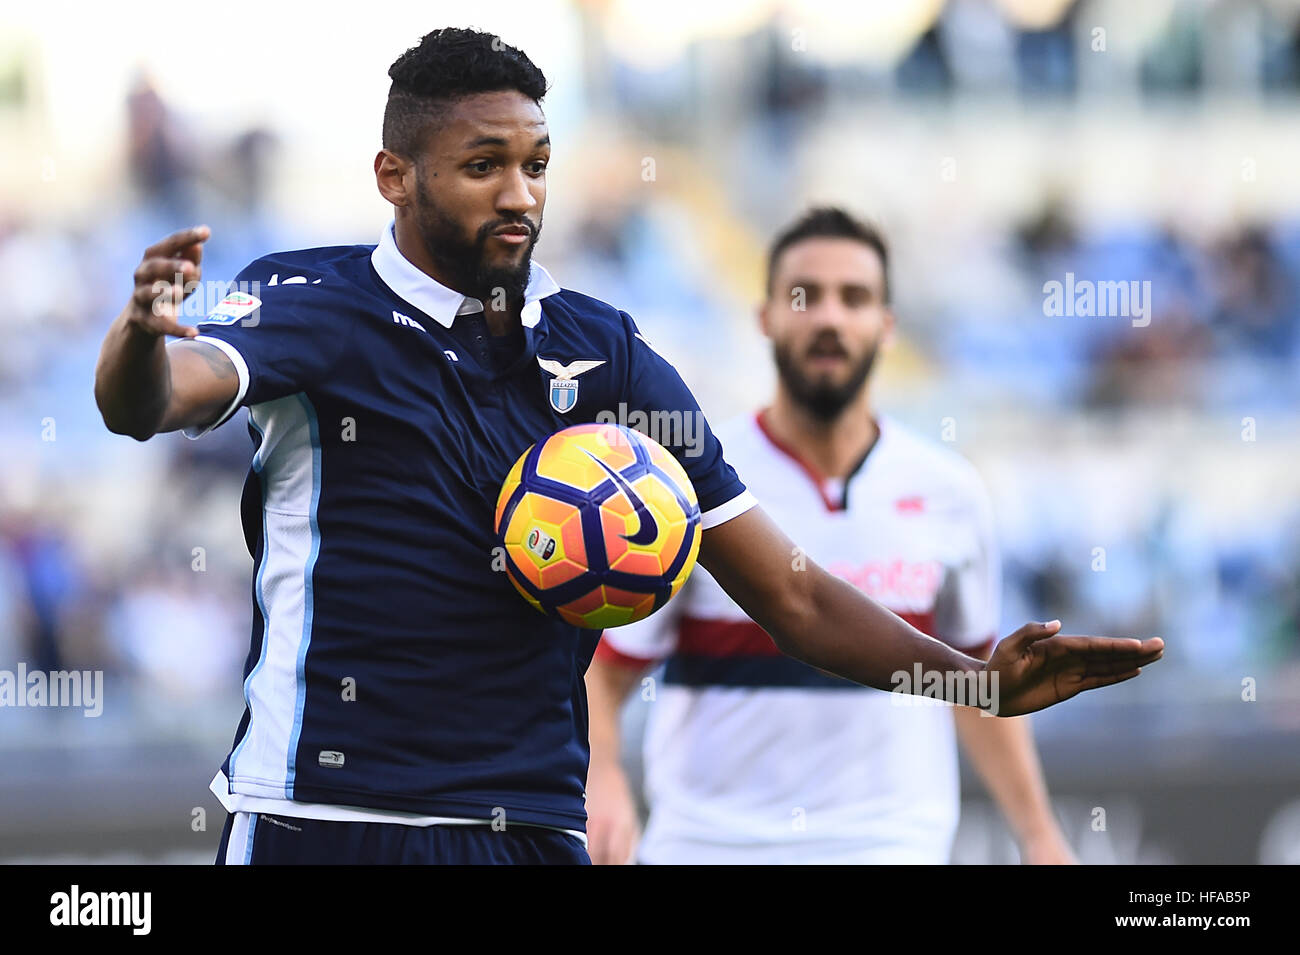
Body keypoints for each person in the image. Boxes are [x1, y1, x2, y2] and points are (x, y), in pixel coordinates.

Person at [93, 29, 1162, 866]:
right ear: (395, 175)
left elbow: (787, 592)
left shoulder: (600, 351)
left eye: (536, 164)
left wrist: (972, 682)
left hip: (526, 826)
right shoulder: (312, 300)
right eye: (481, 165)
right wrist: (140, 337)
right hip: (320, 816)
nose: (518, 194)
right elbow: (154, 400)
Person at [586, 208, 1080, 864]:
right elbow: (608, 670)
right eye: (804, 296)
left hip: (892, 849)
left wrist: (1040, 835)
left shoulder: (950, 491)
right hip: (712, 849)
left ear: (887, 325)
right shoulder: (685, 483)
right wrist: (602, 774)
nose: (828, 317)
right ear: (764, 318)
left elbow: (974, 683)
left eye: (854, 298)